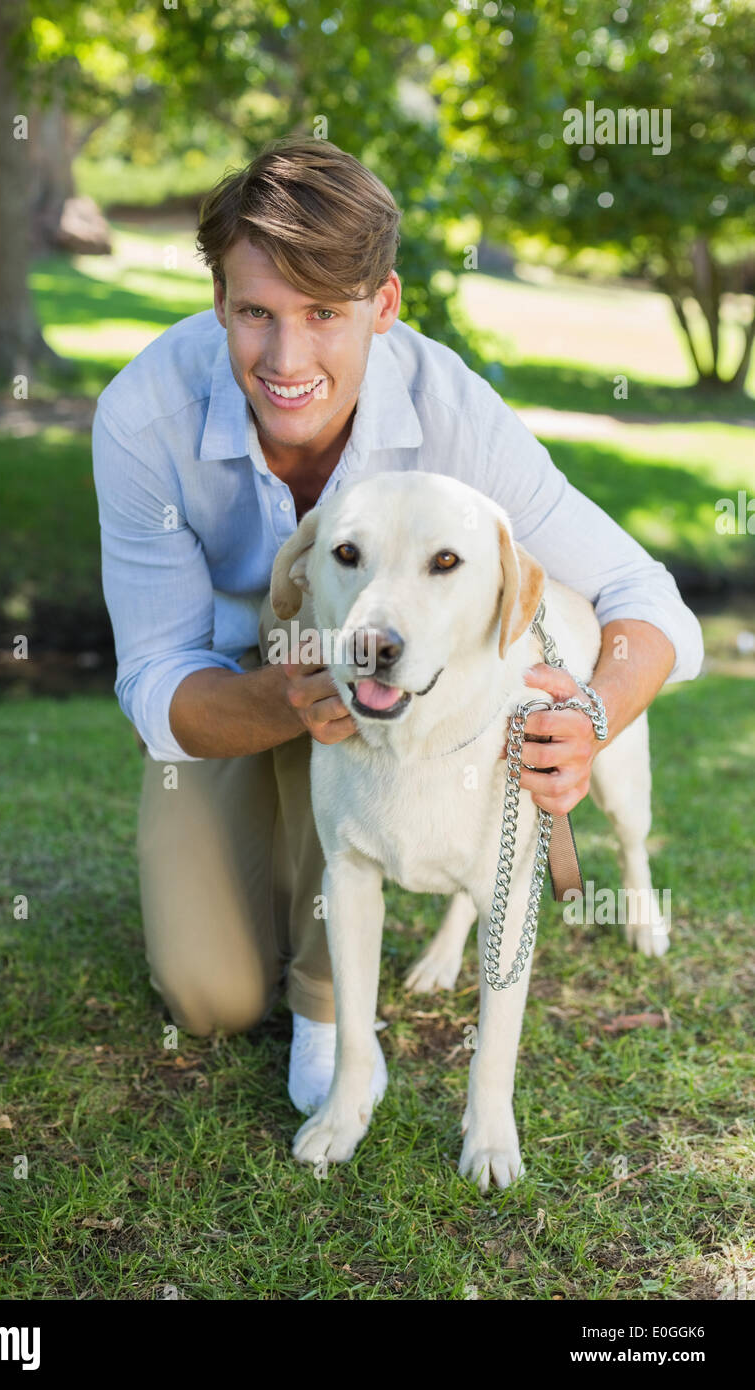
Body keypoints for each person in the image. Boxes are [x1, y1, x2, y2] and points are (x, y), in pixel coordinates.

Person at [91, 137, 704, 1115]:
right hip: (236, 689)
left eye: (323, 316)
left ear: (382, 306)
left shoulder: (453, 413)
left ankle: (332, 1006)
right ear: (218, 301)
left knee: (361, 693)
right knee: (209, 997)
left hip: (396, 680)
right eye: (255, 312)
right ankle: (292, 922)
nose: (284, 359)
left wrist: (591, 711)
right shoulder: (141, 419)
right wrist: (284, 694)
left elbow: (645, 599)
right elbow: (157, 689)